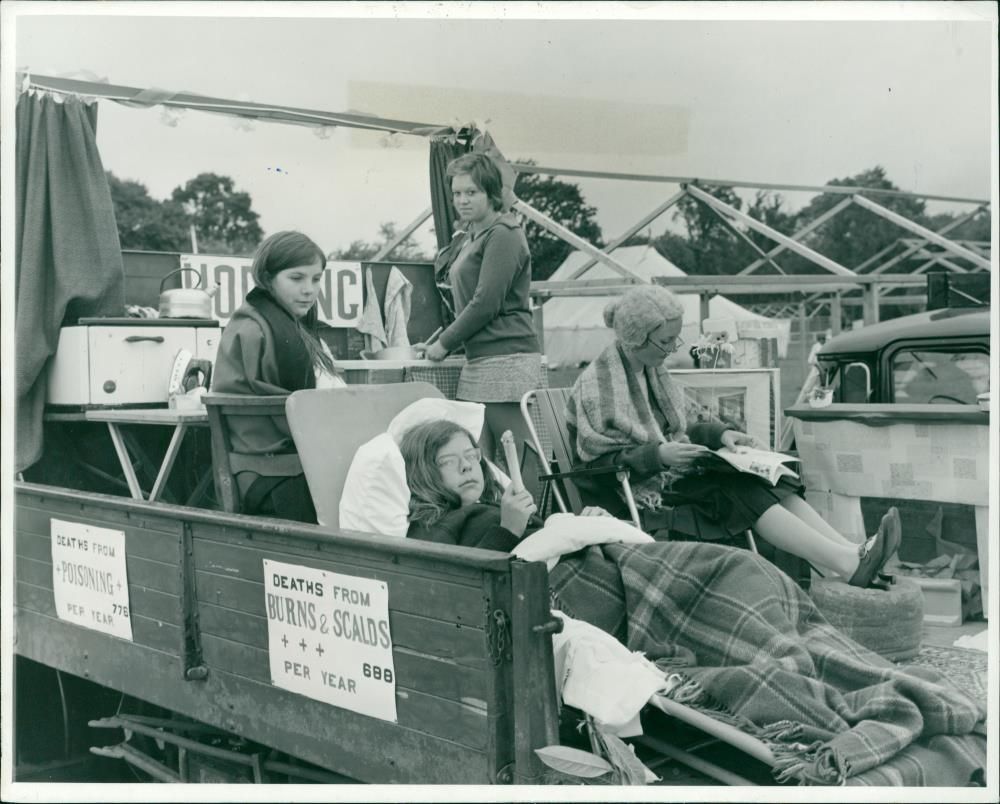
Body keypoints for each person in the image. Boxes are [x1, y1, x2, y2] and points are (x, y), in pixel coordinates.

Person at [396, 418, 984, 786]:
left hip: (607, 564)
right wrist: (510, 528)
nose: (470, 469)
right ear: (426, 475)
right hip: (585, 589)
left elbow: (548, 539)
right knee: (727, 576)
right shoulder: (431, 526)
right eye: (453, 464)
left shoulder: (494, 502)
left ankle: (832, 622)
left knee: (742, 569)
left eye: (471, 458)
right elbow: (471, 583)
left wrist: (578, 522)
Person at [565, 285, 899, 589]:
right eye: (666, 341)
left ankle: (850, 554)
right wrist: (659, 456)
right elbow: (597, 465)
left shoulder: (647, 369)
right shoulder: (598, 388)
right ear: (636, 337)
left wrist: (721, 435)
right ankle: (845, 562)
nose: (672, 349)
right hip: (632, 493)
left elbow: (679, 425)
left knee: (766, 479)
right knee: (738, 488)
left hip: (663, 477)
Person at [416, 152, 542, 485]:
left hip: (507, 359)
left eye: (471, 192)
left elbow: (486, 302)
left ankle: (538, 524)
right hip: (483, 359)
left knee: (519, 461)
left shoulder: (505, 234)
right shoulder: (476, 236)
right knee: (480, 458)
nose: (462, 200)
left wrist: (445, 342)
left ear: (491, 193)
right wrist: (445, 341)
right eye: (457, 193)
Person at [211, 230, 343, 523]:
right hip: (270, 471)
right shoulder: (253, 330)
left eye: (316, 278)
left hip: (300, 460)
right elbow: (283, 411)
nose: (309, 289)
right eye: (296, 279)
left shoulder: (296, 327)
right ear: (268, 278)